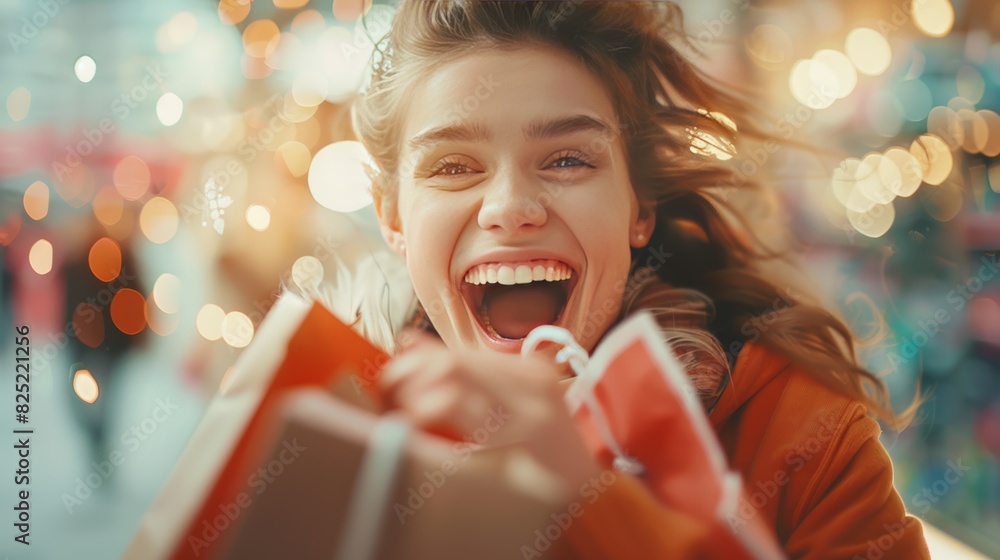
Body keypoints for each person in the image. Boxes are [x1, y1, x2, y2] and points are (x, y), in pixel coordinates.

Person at [344, 1, 930, 557]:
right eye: (452, 167)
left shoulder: (807, 439)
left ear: (639, 206)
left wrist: (593, 505)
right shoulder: (333, 425)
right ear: (391, 215)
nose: (510, 207)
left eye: (568, 160)